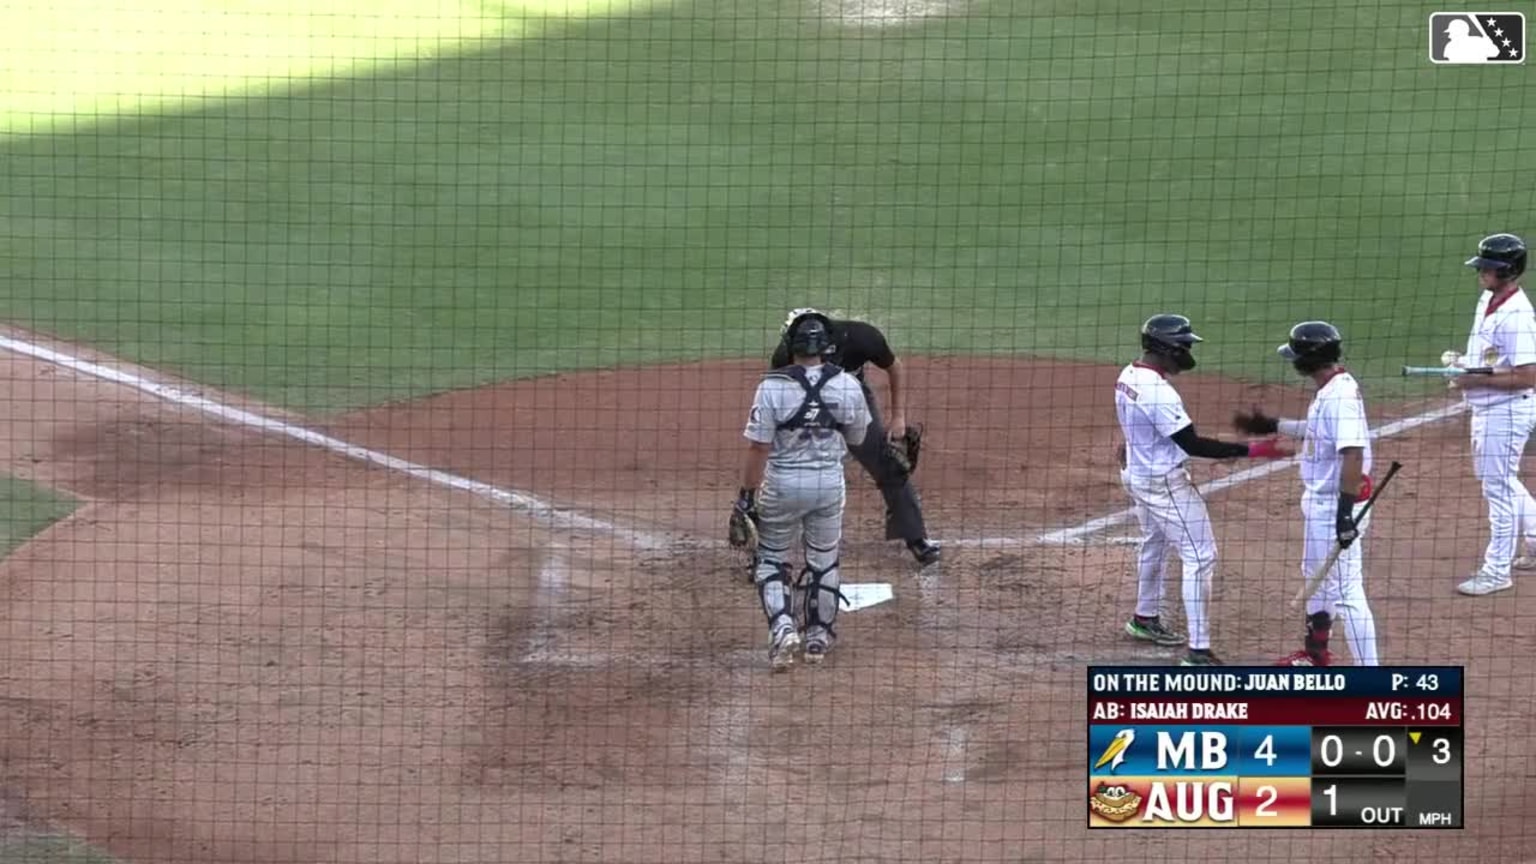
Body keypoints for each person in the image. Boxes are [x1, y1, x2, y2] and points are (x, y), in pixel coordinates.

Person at [1114, 314, 1292, 666]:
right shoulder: (1159, 392)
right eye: (1184, 345)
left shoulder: (1128, 374)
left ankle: (1144, 618)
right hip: (1163, 485)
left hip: (1137, 472)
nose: (1188, 351)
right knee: (1201, 556)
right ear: (1166, 348)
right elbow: (1192, 443)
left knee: (1154, 542)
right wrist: (1254, 450)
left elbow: (1140, 426)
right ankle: (1198, 651)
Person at [1232, 322, 1379, 666]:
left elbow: (1353, 454)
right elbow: (1319, 434)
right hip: (1324, 504)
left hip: (1336, 506)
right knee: (1317, 577)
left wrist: (1344, 515)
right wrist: (1274, 425)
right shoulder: (1330, 388)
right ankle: (1316, 655)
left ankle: (1372, 679)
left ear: (1308, 359)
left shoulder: (1340, 396)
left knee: (1346, 593)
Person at [731, 314, 872, 671]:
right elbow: (857, 439)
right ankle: (818, 639)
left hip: (782, 485)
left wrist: (746, 496)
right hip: (828, 484)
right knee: (824, 558)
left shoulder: (771, 386)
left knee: (771, 559)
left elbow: (758, 448)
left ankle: (783, 629)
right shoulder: (847, 385)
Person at [769, 308, 941, 565]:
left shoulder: (861, 337)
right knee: (784, 468)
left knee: (886, 463)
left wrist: (898, 417)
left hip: (852, 402)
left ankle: (915, 537)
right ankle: (766, 553)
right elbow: (777, 397)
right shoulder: (783, 356)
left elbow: (895, 368)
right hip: (806, 403)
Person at [1448, 233, 1536, 596]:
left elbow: (1529, 374)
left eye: (1488, 267)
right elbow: (1488, 359)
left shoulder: (1517, 316)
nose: (1481, 272)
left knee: (1497, 488)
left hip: (1507, 412)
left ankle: (1497, 571)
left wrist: (1471, 380)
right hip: (1488, 408)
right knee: (1501, 481)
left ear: (1507, 270)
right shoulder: (1488, 297)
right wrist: (1465, 368)